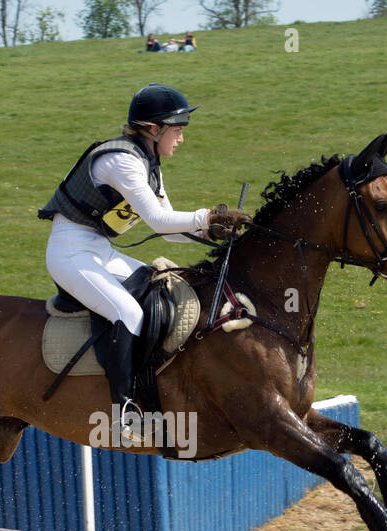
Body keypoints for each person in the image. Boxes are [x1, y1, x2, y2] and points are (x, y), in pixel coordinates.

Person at [37, 83, 251, 441]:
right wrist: (209, 216)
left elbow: (170, 233)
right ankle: (124, 412)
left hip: (98, 250)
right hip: (70, 253)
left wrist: (212, 234)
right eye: (177, 130)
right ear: (155, 129)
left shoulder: (150, 165)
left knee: (160, 289)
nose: (181, 139)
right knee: (129, 313)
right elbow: (160, 221)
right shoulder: (122, 162)